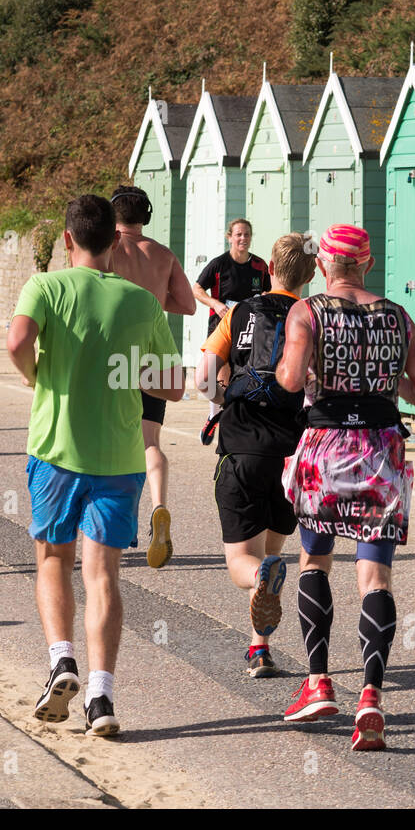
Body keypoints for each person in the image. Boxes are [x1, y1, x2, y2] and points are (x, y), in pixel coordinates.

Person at [8, 194, 183, 738]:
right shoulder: (141, 302)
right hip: (120, 457)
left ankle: (62, 662)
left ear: (66, 240)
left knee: (53, 560)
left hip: (56, 451)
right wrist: (124, 369)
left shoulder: (45, 286)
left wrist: (37, 377)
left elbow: (16, 341)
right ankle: (102, 698)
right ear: (115, 242)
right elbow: (172, 385)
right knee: (103, 575)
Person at [276, 224, 415, 752]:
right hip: (380, 453)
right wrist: (384, 376)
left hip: (324, 448)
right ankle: (370, 697)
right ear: (367, 265)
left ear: (324, 266)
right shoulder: (397, 316)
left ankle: (319, 681)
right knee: (375, 578)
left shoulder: (308, 312)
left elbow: (292, 379)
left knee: (314, 562)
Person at [198, 233, 314, 677]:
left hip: (242, 445)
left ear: (268, 271)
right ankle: (258, 648)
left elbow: (204, 377)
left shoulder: (240, 311)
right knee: (271, 549)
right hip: (290, 452)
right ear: (308, 276)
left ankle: (259, 590)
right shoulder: (312, 317)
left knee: (243, 562)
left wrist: (224, 396)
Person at [107, 185, 197, 568]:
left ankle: (122, 523)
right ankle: (159, 505)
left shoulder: (107, 249)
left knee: (113, 443)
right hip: (153, 357)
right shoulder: (162, 254)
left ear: (114, 216)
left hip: (115, 356)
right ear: (147, 216)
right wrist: (156, 302)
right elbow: (189, 304)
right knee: (150, 442)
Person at [193, 219, 269, 420]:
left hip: (249, 323)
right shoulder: (219, 264)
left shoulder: (260, 265)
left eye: (246, 234)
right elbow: (197, 289)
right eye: (238, 235)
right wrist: (216, 304)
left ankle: (241, 410)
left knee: (247, 365)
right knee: (222, 367)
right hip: (221, 323)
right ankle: (214, 415)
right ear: (229, 238)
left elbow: (269, 290)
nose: (243, 238)